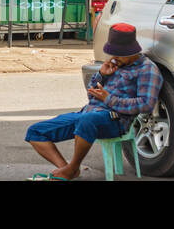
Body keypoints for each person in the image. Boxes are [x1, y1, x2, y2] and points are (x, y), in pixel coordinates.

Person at [24, 23, 163, 181]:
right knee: (35, 132)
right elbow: (92, 95)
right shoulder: (114, 65)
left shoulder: (147, 70)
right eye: (113, 53)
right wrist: (102, 75)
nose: (114, 57)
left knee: (87, 120)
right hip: (88, 113)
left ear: (131, 51)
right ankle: (68, 170)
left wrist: (108, 99)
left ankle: (72, 168)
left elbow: (146, 104)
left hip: (115, 120)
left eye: (119, 54)